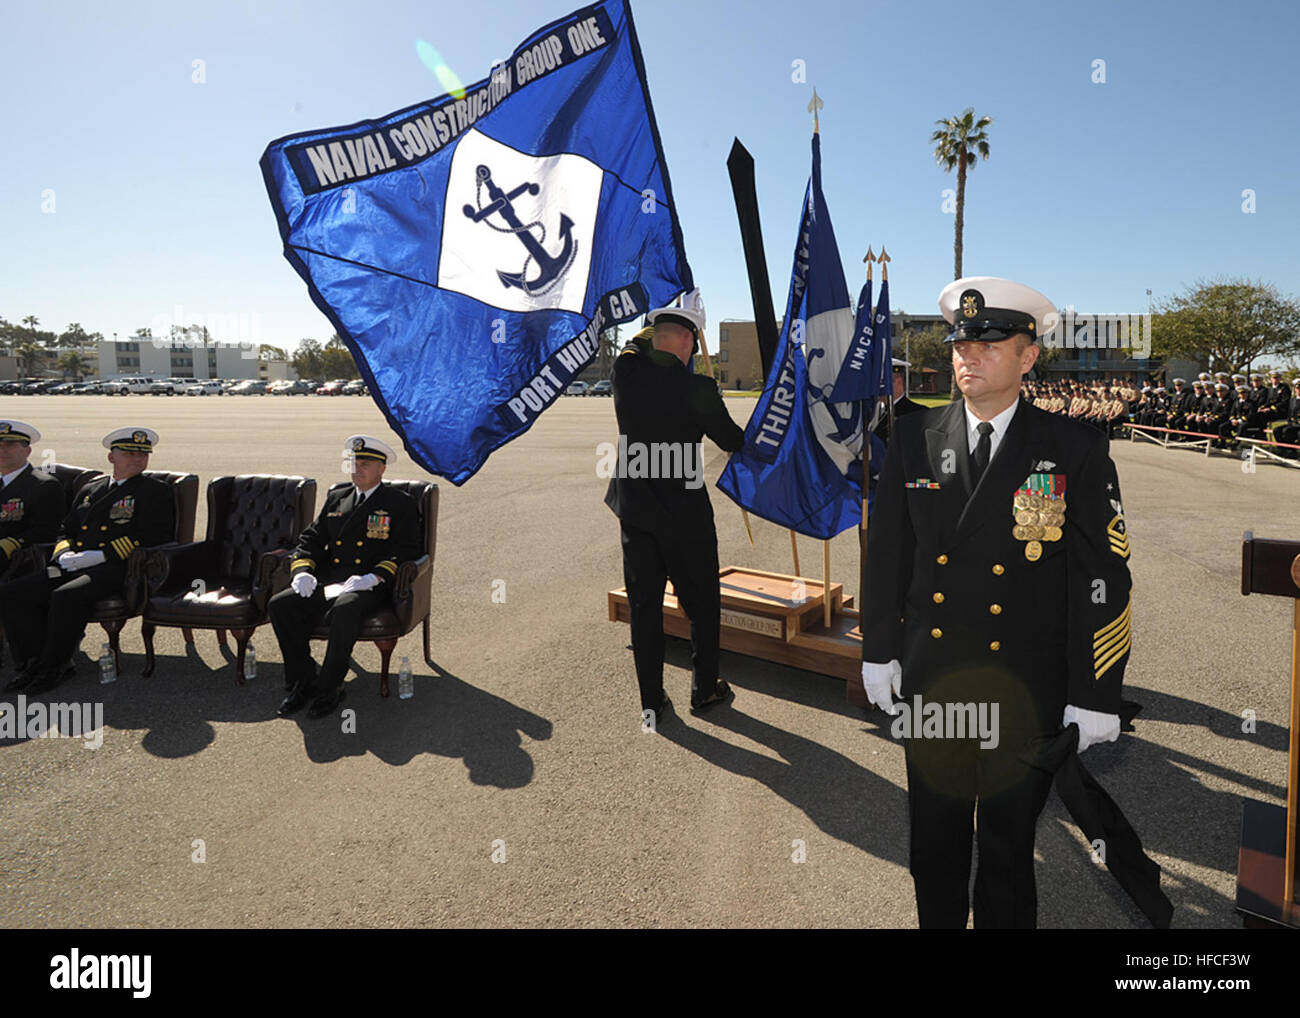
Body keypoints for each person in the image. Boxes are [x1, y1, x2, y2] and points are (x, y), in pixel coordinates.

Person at [860, 276, 1134, 929]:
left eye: (988, 343)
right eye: (961, 341)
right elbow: (888, 557)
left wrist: (1096, 690)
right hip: (936, 685)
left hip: (1026, 688)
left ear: (1027, 356)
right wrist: (877, 651)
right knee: (935, 848)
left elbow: (1104, 576)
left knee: (1010, 856)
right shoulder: (913, 437)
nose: (967, 355)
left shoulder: (1074, 447)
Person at [605, 291, 745, 721]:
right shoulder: (698, 389)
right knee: (702, 605)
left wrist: (661, 319)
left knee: (645, 608)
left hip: (637, 514)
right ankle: (704, 690)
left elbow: (637, 342)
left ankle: (651, 700)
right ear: (689, 341)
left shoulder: (624, 371)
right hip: (685, 520)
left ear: (654, 333)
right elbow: (734, 442)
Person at [1, 427, 174, 694]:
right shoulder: (91, 488)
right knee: (14, 593)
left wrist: (100, 556)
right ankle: (31, 662)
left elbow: (154, 535)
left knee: (66, 595)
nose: (137, 459)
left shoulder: (155, 491)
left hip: (118, 567)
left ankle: (55, 666)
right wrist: (63, 552)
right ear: (111, 457)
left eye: (142, 454)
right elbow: (65, 529)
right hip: (74, 563)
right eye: (128, 453)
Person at [270, 435, 420, 719]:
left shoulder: (399, 503)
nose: (357, 468)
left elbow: (407, 549)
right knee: (281, 604)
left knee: (345, 608)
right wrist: (302, 571)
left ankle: (330, 687)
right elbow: (311, 539)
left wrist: (374, 577)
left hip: (370, 584)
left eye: (365, 463)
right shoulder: (338, 497)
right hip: (331, 580)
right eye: (353, 462)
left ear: (382, 469)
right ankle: (303, 679)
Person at [0, 421, 67, 673]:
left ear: (27, 451)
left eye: (10, 445)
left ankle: (28, 659)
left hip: (21, 560)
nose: (2, 450)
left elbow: (46, 531)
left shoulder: (43, 485)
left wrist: (9, 544)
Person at [872, 358, 926, 443]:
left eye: (881, 381)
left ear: (899, 381)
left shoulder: (918, 414)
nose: (876, 386)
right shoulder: (870, 411)